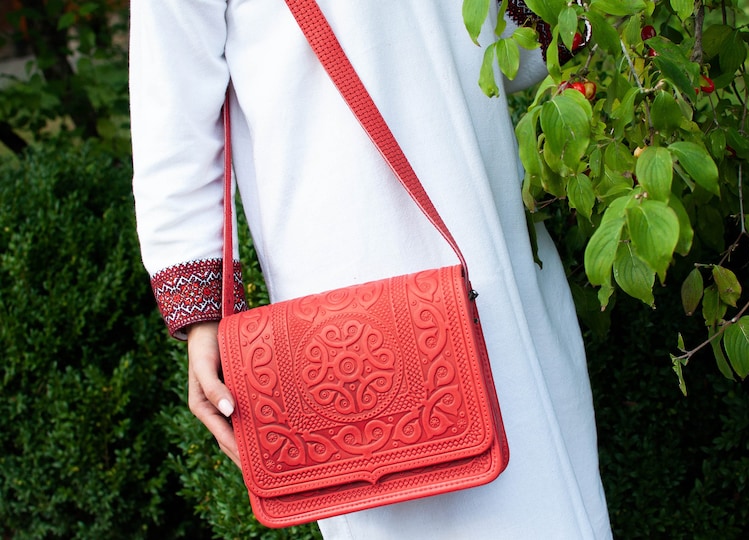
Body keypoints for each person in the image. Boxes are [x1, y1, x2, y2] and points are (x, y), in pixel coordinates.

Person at [129, 1, 613, 538]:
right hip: (347, 323)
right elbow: (173, 115)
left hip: (493, 265)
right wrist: (203, 315)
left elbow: (514, 47)